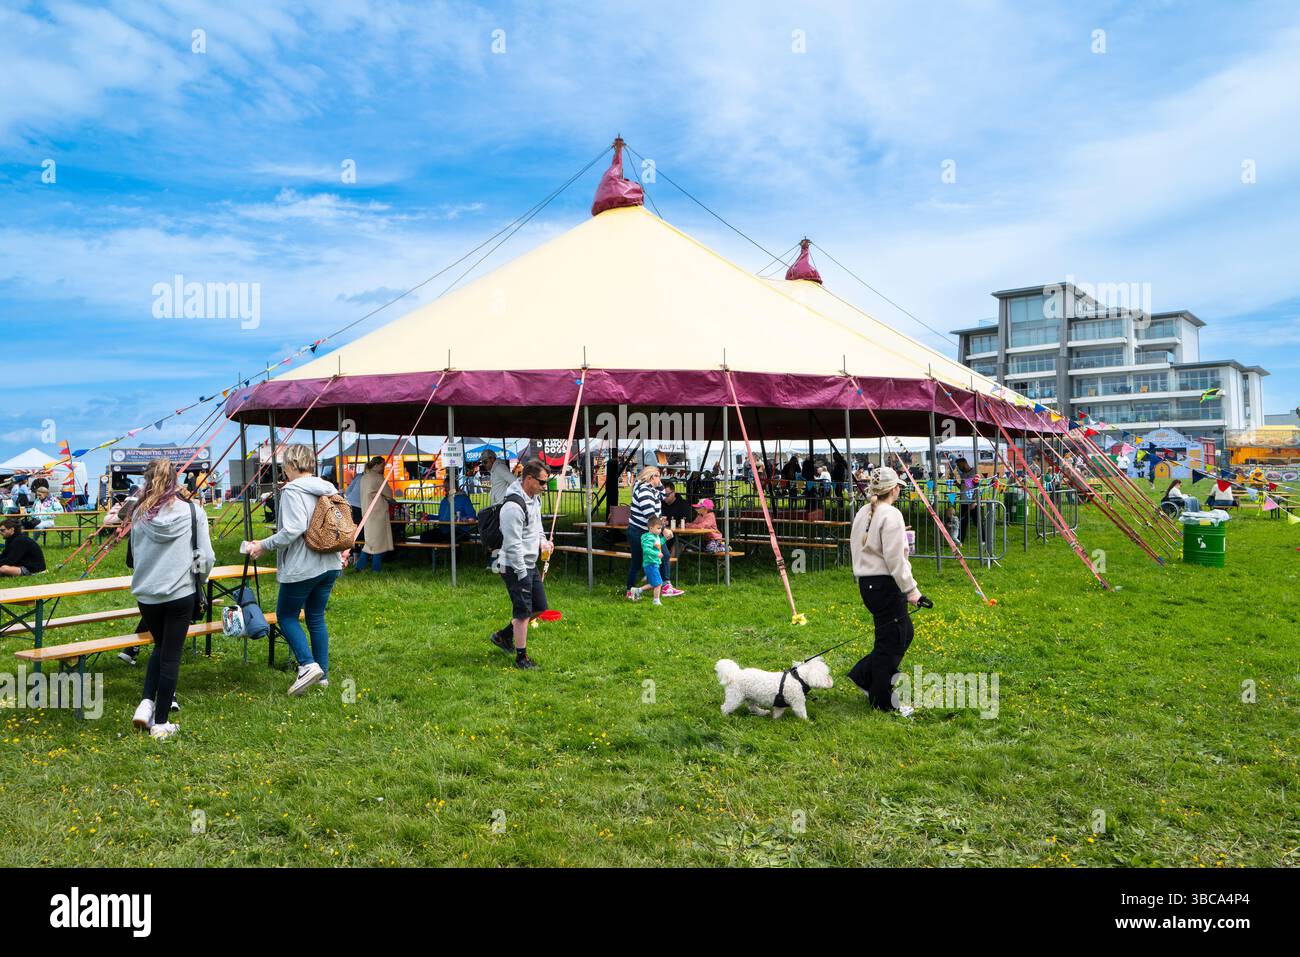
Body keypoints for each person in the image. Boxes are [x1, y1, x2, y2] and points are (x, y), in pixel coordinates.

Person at [246, 444, 345, 696]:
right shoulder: (328, 489)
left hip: (304, 565)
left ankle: (307, 665)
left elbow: (293, 530)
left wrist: (263, 546)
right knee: (316, 616)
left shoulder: (291, 492)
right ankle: (322, 674)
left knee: (286, 616)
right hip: (330, 563)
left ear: (289, 466)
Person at [128, 458, 215, 740]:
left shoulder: (138, 513)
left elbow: (133, 556)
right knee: (171, 656)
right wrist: (199, 580)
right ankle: (162, 723)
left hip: (147, 594)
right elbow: (206, 556)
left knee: (161, 646)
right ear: (175, 481)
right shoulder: (192, 512)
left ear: (146, 480)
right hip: (180, 592)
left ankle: (146, 704)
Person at [847, 466, 922, 715]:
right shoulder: (891, 514)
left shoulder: (863, 511)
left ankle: (863, 675)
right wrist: (912, 591)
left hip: (868, 583)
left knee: (899, 634)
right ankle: (883, 701)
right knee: (893, 640)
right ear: (894, 489)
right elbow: (895, 559)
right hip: (885, 583)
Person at [488, 460, 553, 670]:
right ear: (529, 479)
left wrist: (543, 541)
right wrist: (522, 573)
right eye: (542, 483)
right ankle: (521, 658)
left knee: (540, 607)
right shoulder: (513, 507)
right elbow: (513, 545)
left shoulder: (534, 498)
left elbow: (537, 526)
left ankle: (502, 636)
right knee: (523, 612)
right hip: (513, 565)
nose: (545, 487)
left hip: (528, 563)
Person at [625, 466, 683, 600]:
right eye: (658, 476)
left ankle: (666, 586)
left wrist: (658, 482)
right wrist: (664, 529)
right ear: (651, 477)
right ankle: (630, 590)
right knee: (637, 562)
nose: (660, 479)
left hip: (651, 532)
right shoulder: (644, 491)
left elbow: (663, 495)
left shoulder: (652, 489)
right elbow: (650, 516)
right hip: (640, 532)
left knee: (665, 555)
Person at [355, 456, 395, 572]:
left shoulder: (364, 477)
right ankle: (375, 569)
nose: (384, 468)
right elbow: (389, 494)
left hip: (367, 513)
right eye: (383, 465)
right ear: (377, 465)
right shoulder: (378, 478)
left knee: (370, 542)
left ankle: (360, 567)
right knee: (378, 543)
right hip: (378, 513)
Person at [629, 515, 671, 605]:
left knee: (654, 583)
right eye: (658, 528)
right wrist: (657, 554)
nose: (660, 530)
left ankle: (637, 590)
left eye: (661, 528)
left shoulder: (656, 537)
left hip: (655, 563)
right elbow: (646, 550)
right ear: (651, 528)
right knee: (658, 583)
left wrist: (665, 539)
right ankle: (656, 601)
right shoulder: (648, 538)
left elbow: (659, 543)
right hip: (650, 563)